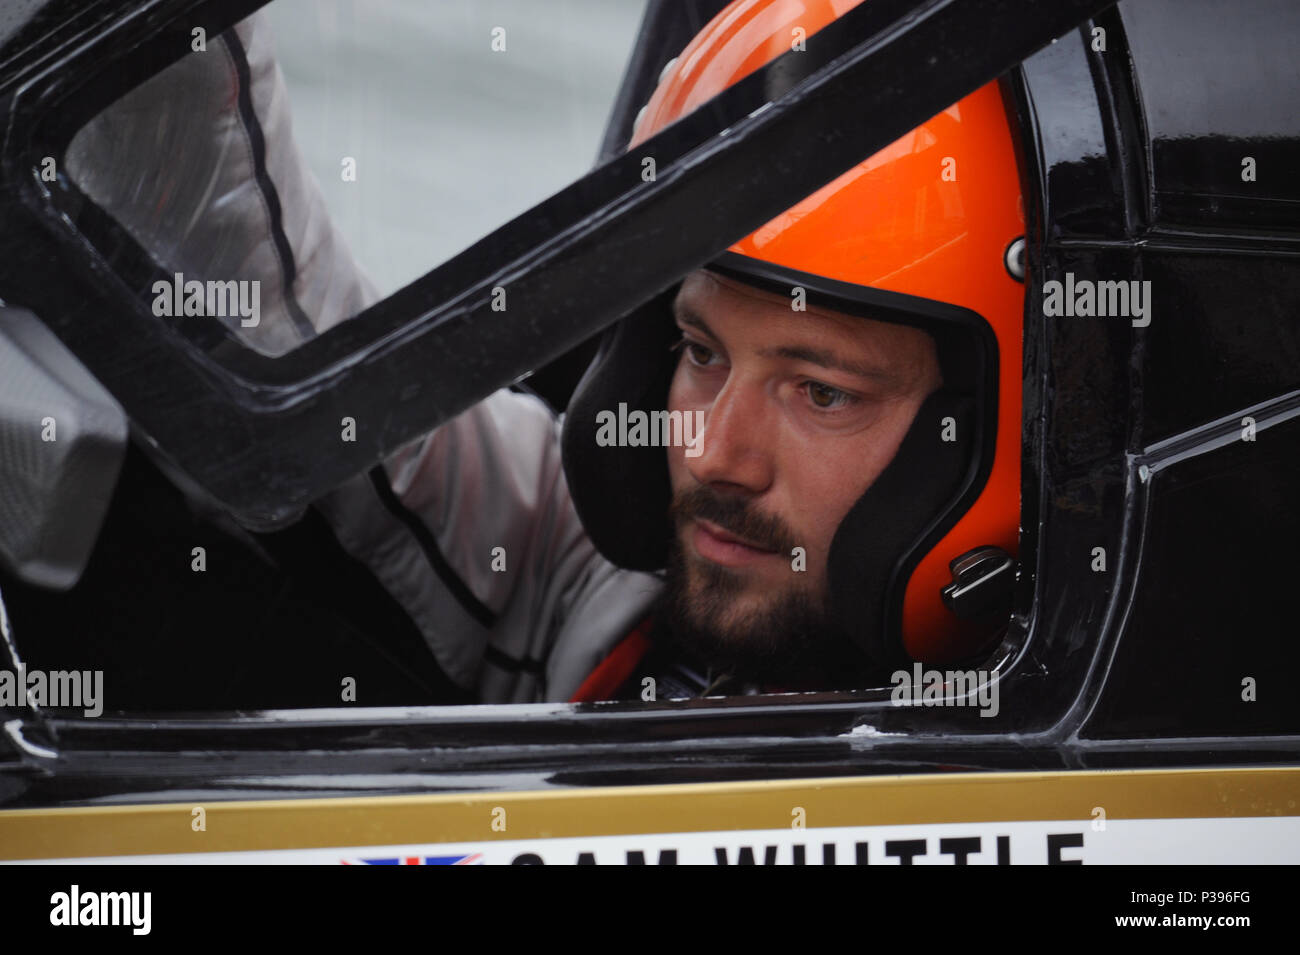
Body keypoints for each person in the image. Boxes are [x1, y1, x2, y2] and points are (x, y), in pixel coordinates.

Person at [68, 0, 1024, 705]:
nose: (710, 454)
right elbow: (255, 312)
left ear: (975, 435)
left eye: (820, 392)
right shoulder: (595, 579)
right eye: (699, 349)